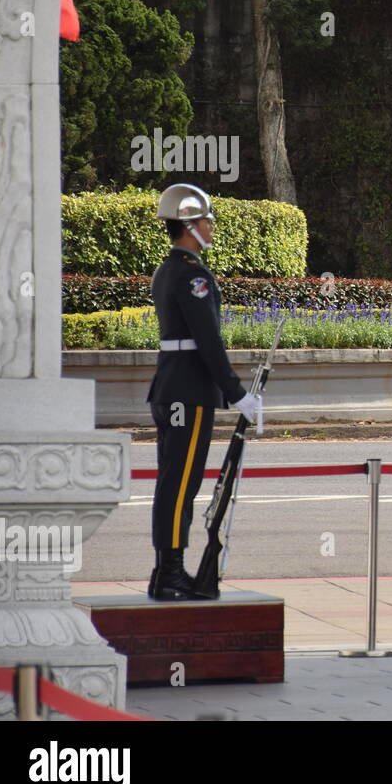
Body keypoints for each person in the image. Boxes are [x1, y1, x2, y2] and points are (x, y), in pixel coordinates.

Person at [147, 184, 263, 601]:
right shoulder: (193, 274)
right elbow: (208, 340)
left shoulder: (167, 269)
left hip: (169, 388)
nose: (212, 226)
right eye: (207, 219)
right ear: (189, 225)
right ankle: (171, 575)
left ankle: (166, 571)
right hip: (189, 391)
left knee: (171, 482)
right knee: (181, 485)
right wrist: (237, 394)